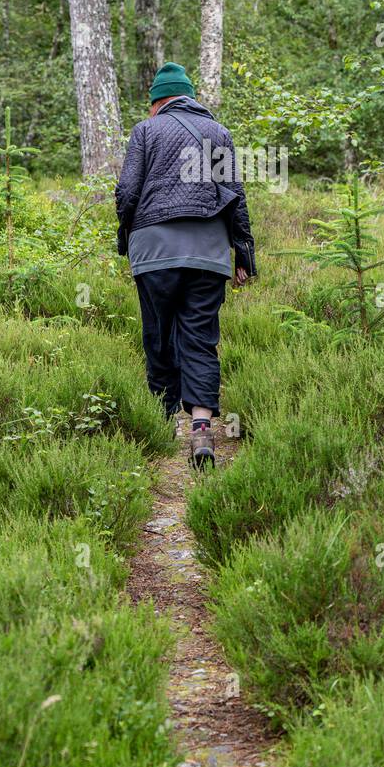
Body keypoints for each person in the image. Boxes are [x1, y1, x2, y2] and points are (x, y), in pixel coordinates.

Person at [115, 62, 256, 469]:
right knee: (199, 337)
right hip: (208, 254)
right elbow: (235, 196)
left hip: (154, 251)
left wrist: (126, 234)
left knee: (158, 333)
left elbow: (127, 190)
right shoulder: (218, 132)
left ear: (158, 102)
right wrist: (243, 254)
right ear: (190, 98)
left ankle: (160, 423)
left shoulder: (146, 130)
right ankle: (200, 430)